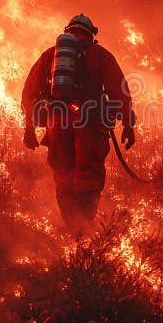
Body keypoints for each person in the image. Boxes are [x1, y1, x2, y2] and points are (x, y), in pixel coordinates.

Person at [21, 14, 136, 234]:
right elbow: (120, 92)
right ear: (91, 34)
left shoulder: (50, 56)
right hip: (89, 124)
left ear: (68, 31)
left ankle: (70, 225)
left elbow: (29, 91)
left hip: (57, 123)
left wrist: (29, 127)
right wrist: (128, 124)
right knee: (88, 173)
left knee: (62, 173)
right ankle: (83, 228)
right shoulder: (100, 55)